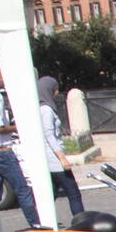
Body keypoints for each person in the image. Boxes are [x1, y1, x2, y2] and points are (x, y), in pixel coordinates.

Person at [0, 68, 39, 231]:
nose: (4, 79)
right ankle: (36, 225)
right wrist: (17, 127)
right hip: (2, 150)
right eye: (1, 76)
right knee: (22, 188)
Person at [38, 76, 84, 218]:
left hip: (50, 158)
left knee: (51, 193)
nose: (57, 92)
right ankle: (81, 223)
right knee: (73, 192)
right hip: (54, 159)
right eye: (55, 88)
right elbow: (49, 135)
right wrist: (62, 158)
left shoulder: (41, 108)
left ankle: (42, 221)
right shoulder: (46, 110)